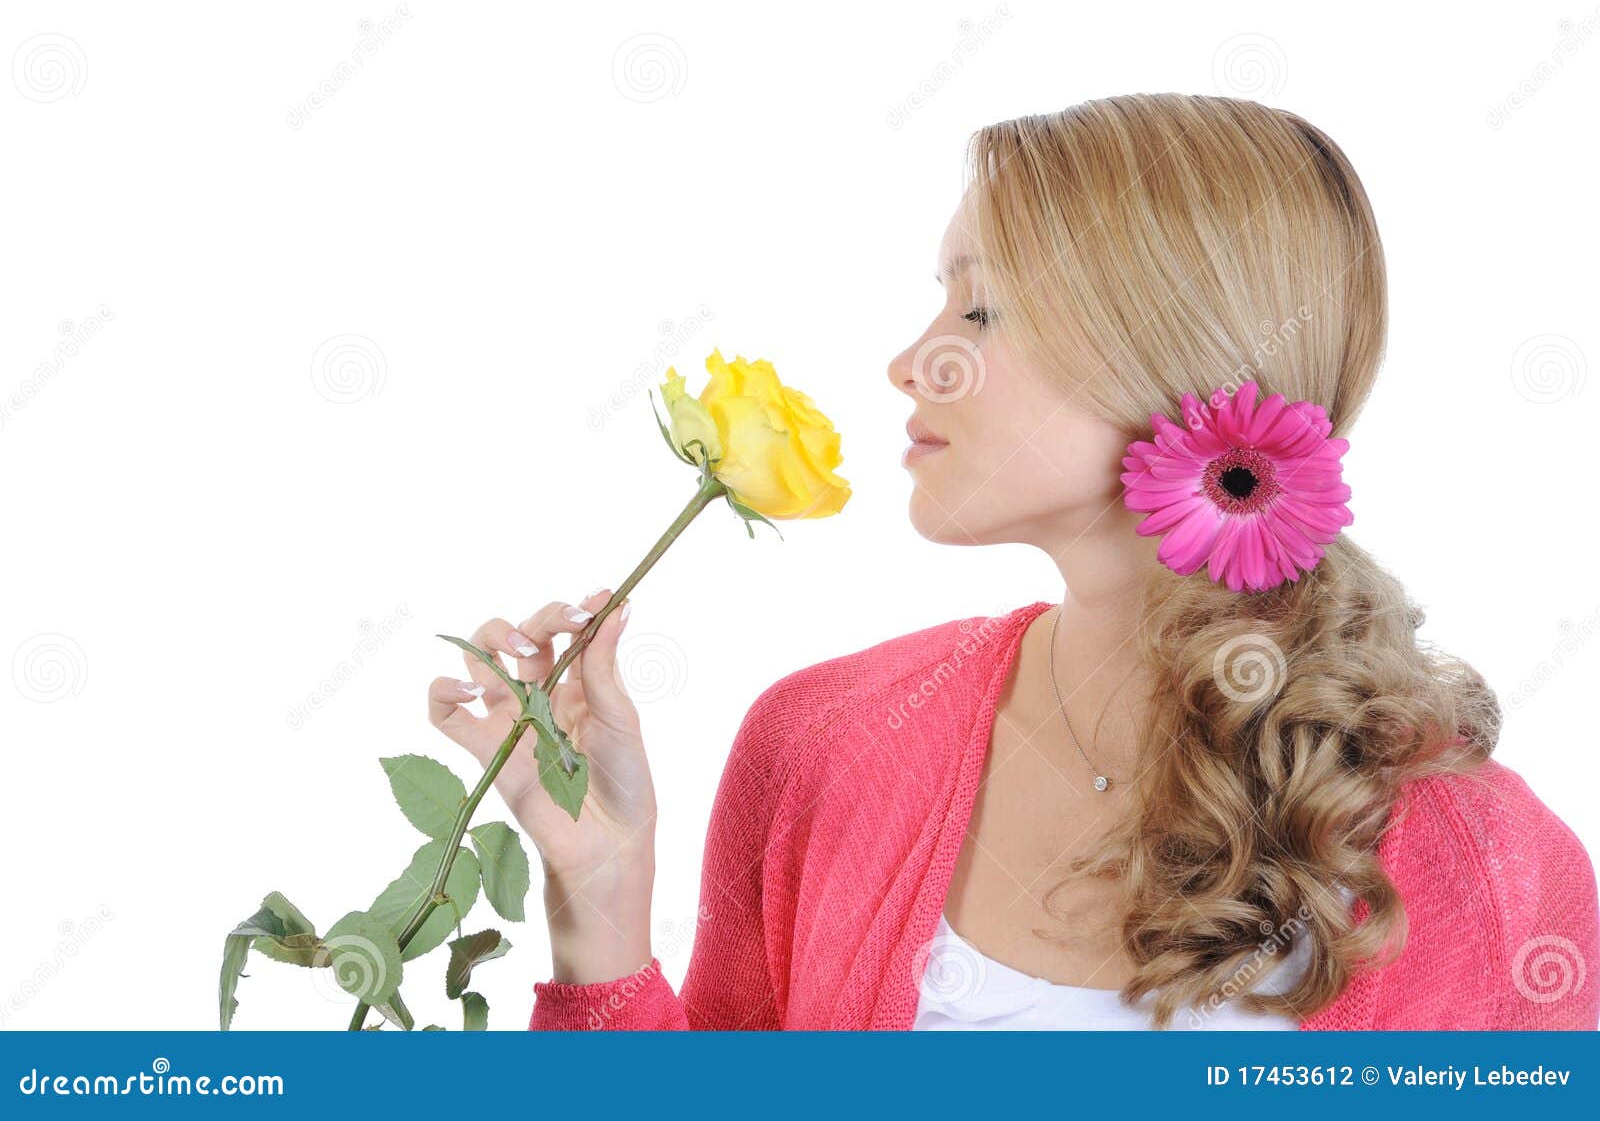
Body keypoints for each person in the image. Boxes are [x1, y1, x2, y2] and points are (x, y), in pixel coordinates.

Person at [429, 94, 1598, 1029]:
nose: (910, 363)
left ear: (1177, 361)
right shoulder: (822, 743)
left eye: (979, 312)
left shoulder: (1487, 866)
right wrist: (599, 901)